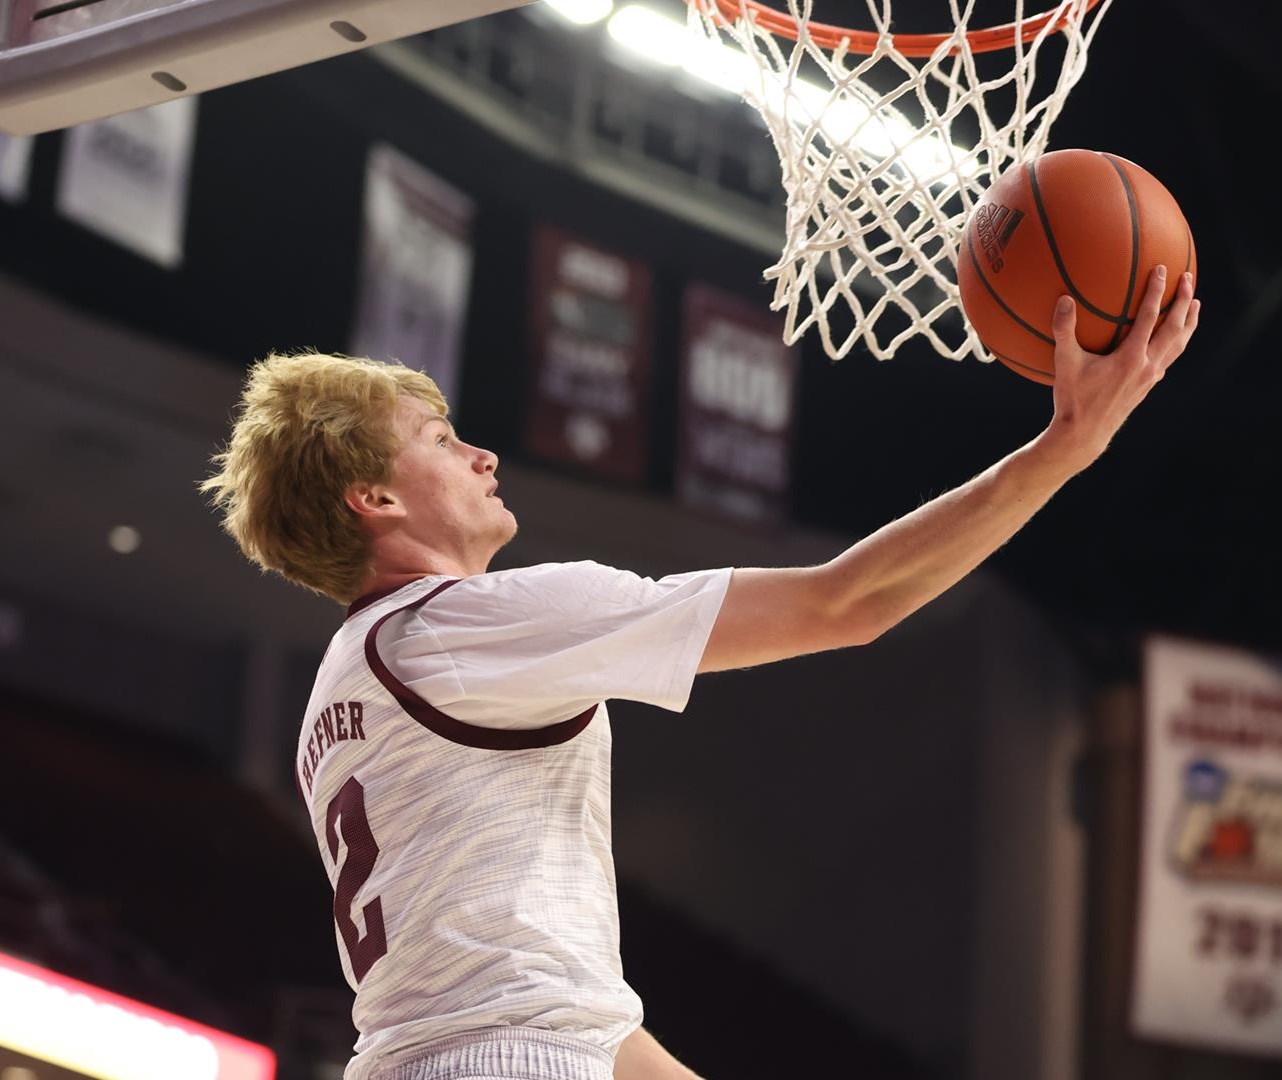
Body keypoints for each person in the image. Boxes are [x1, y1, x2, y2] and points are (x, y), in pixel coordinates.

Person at [202, 270, 1200, 1080]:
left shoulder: (341, 685)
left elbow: (560, 1011)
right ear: (372, 495)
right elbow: (843, 603)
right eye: (442, 442)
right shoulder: (467, 627)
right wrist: (1067, 447)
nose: (483, 455)